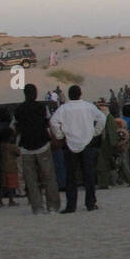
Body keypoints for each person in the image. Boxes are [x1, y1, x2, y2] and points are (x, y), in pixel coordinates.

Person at [49, 85, 106, 213]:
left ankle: (71, 206)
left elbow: (53, 122)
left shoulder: (64, 108)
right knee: (89, 175)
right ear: (80, 94)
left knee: (71, 176)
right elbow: (102, 118)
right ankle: (90, 204)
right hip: (87, 142)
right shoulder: (89, 106)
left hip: (70, 143)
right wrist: (95, 132)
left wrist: (60, 135)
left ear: (69, 95)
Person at [15, 84, 61, 213]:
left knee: (31, 180)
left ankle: (37, 207)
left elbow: (15, 128)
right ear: (34, 93)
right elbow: (49, 124)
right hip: (43, 145)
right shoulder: (41, 107)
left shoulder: (18, 109)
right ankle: (53, 206)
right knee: (49, 177)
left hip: (25, 147)